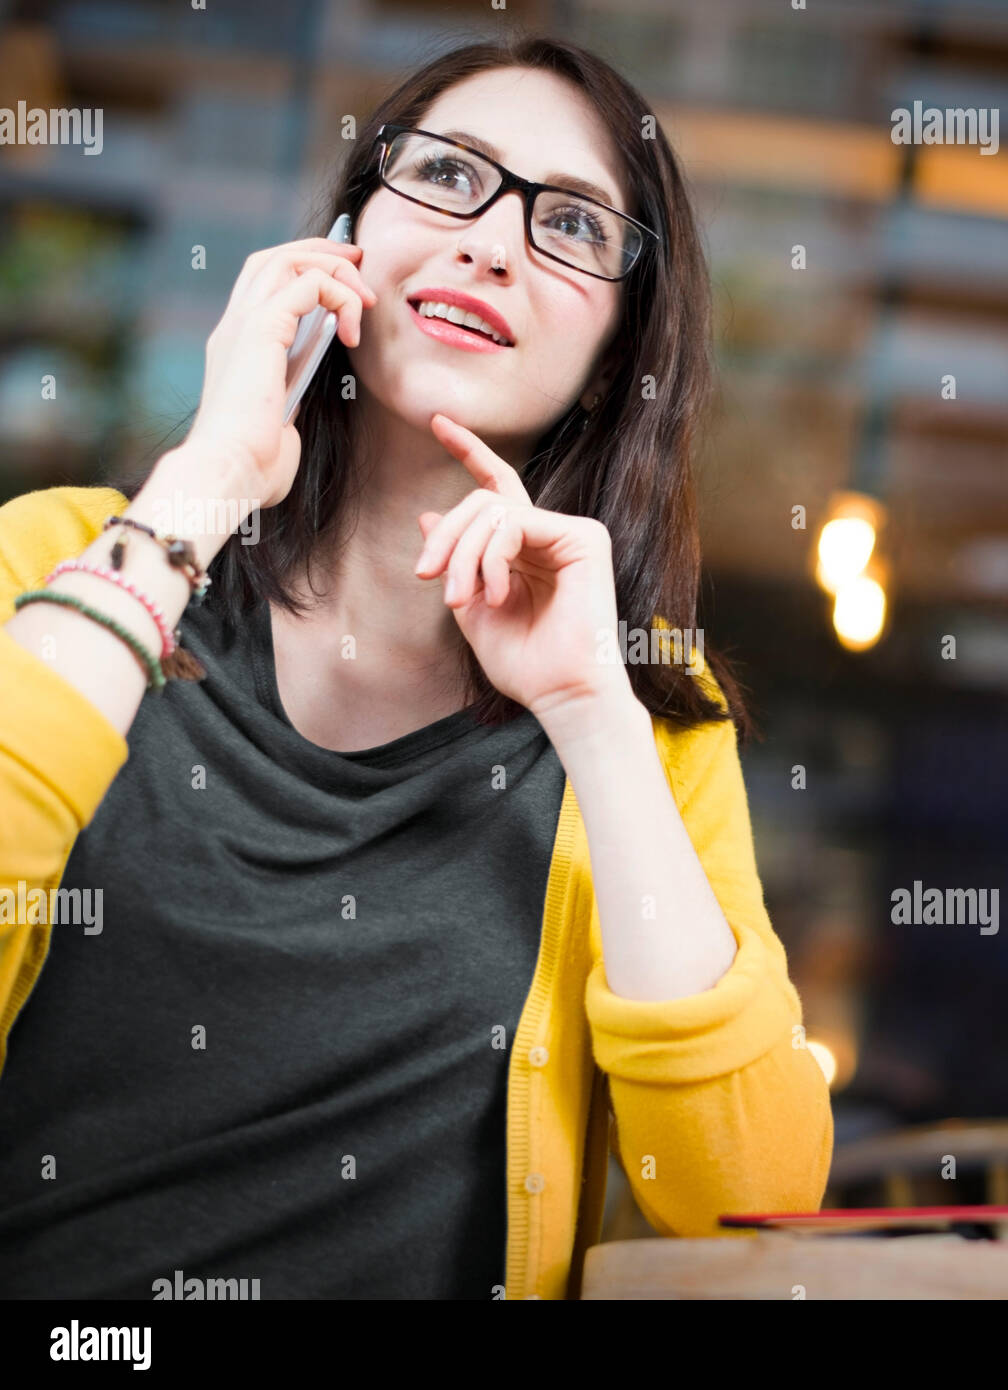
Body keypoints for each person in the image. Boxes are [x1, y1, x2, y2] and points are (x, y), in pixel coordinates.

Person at [0, 34, 832, 1300]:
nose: (493, 241)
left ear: (620, 352)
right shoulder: (60, 562)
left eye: (573, 225)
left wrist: (591, 715)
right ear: (344, 239)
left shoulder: (647, 726)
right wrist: (207, 486)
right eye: (447, 176)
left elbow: (750, 1204)